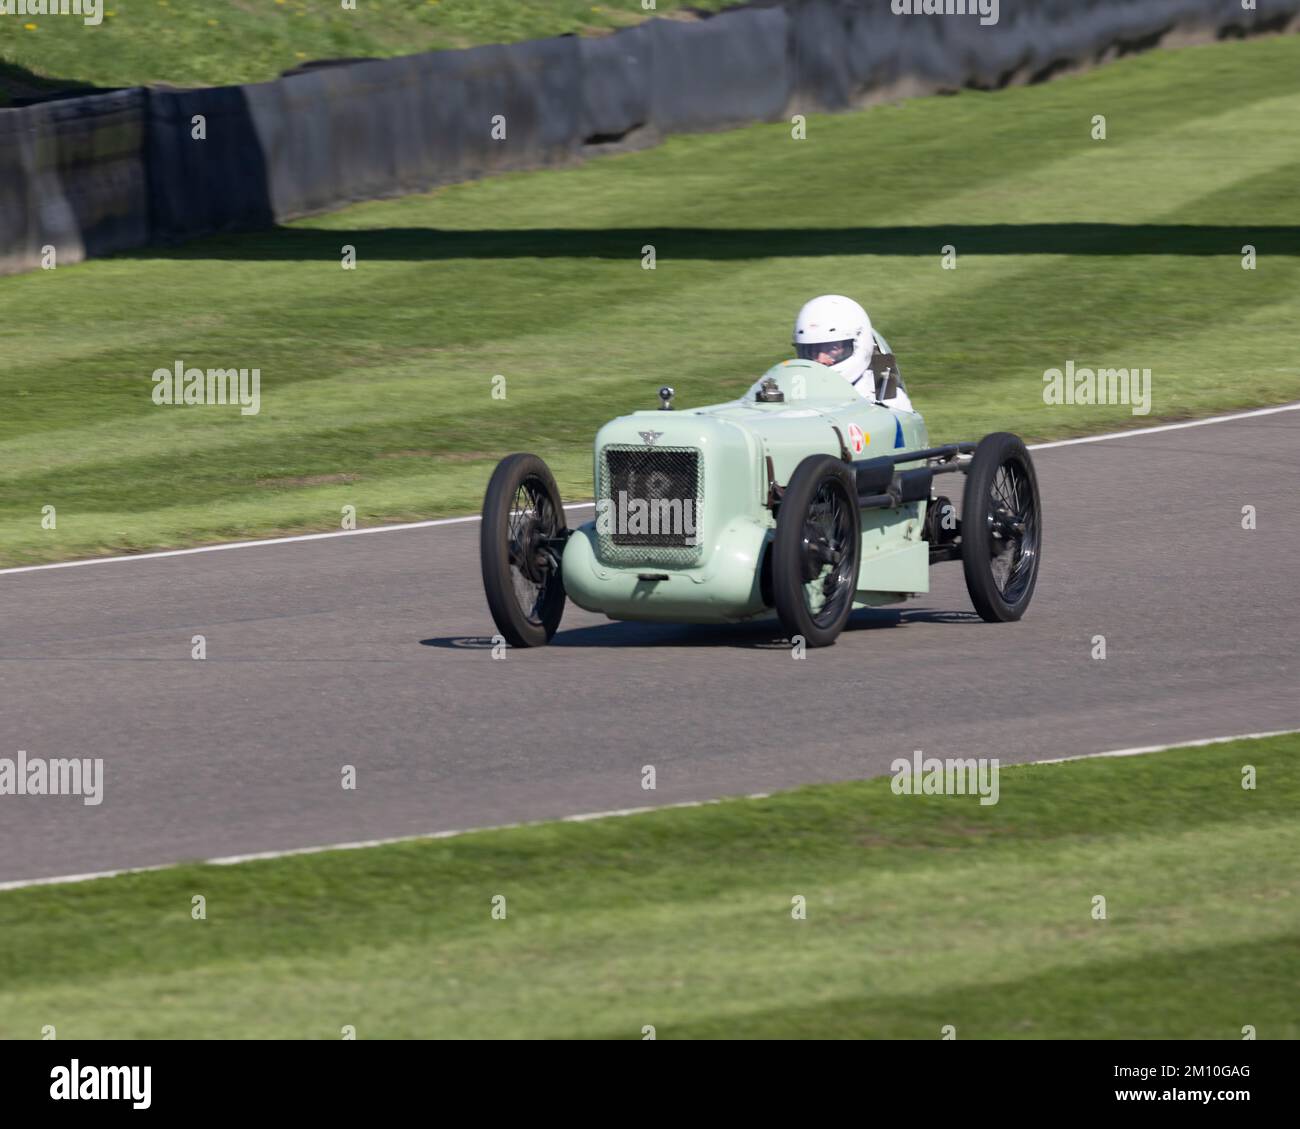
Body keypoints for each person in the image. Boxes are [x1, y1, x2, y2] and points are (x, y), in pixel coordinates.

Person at [792, 294, 914, 412]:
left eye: (832, 349)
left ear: (859, 344)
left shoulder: (890, 402)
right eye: (811, 350)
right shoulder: (793, 393)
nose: (820, 359)